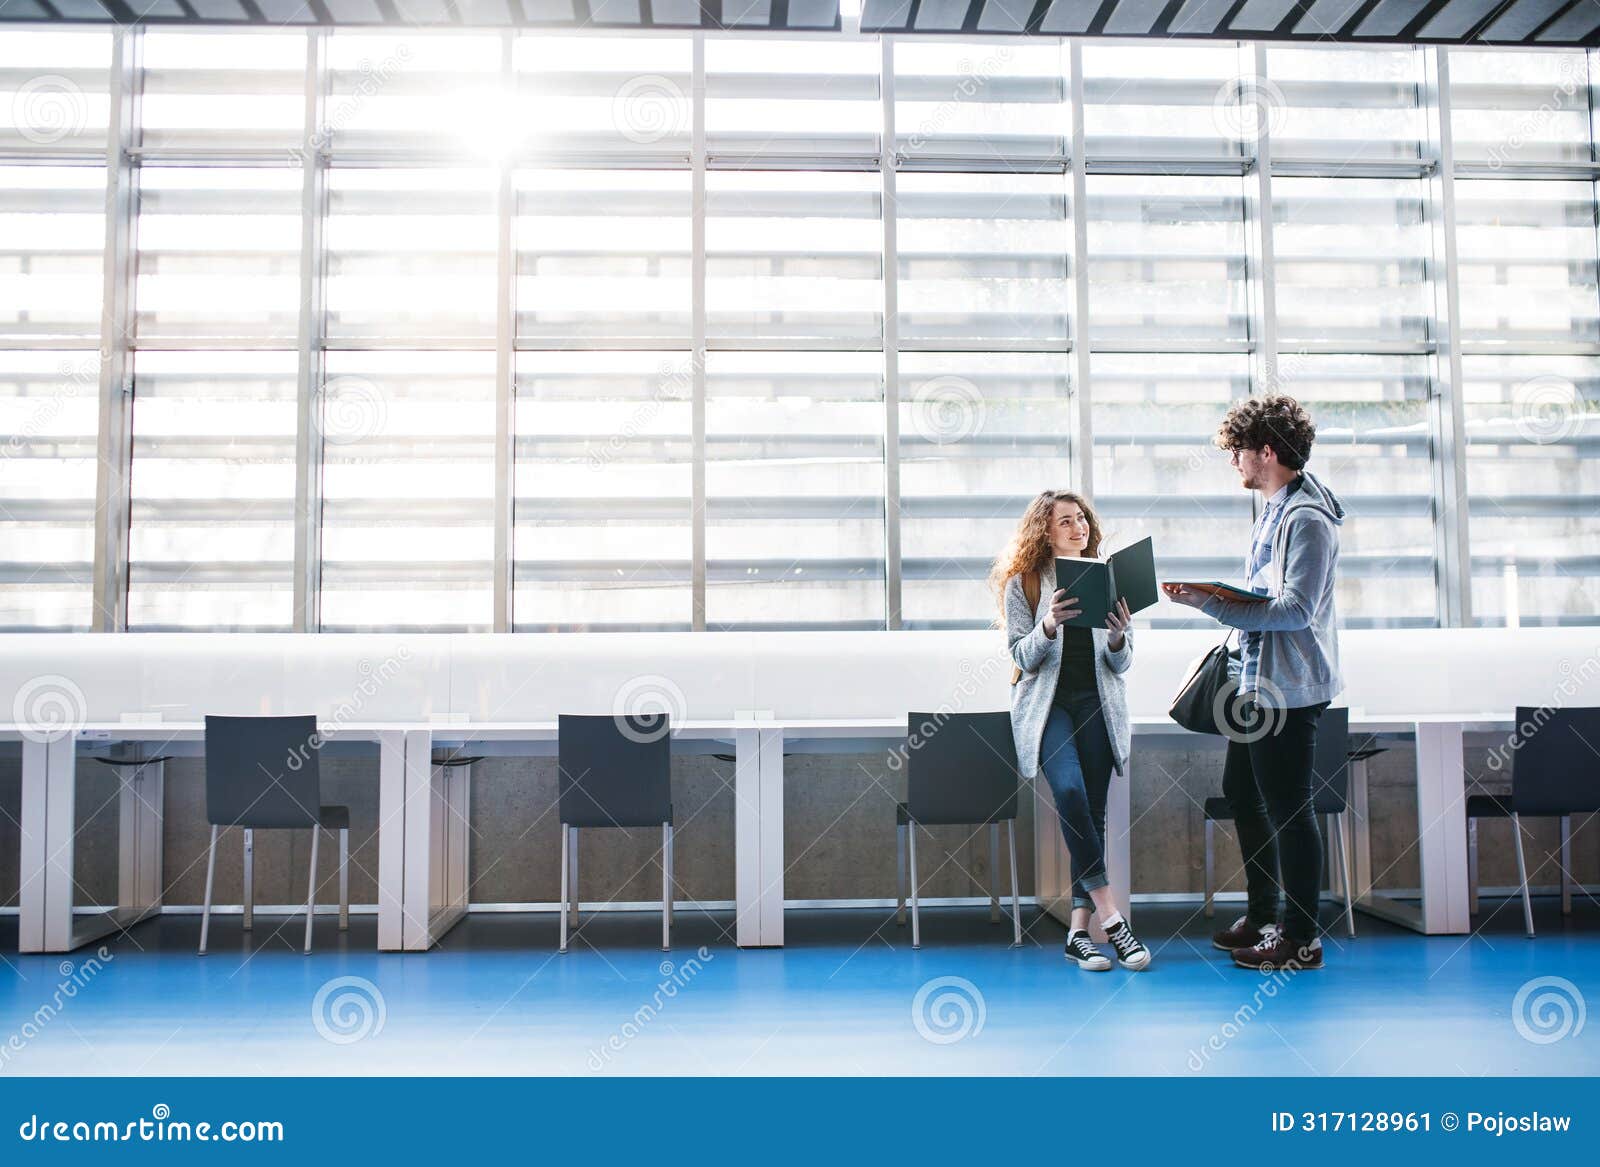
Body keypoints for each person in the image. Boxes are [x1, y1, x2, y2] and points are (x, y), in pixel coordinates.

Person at [1163, 394, 1345, 972]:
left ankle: (1301, 938)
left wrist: (1212, 604)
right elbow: (1267, 595)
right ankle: (1265, 915)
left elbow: (1295, 610)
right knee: (1243, 791)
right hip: (1258, 683)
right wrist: (1215, 597)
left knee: (1290, 809)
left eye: (1238, 450)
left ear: (1266, 452)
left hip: (1287, 689)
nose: (1233, 460)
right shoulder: (1275, 510)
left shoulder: (1307, 520)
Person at [991, 490, 1149, 971]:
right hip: (1049, 708)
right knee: (1070, 792)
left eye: (1081, 519)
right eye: (1065, 521)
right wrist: (1048, 624)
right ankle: (1112, 917)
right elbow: (1021, 657)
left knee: (1091, 812)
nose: (1078, 527)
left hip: (1098, 704)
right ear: (1045, 530)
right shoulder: (1024, 584)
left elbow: (1121, 664)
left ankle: (1079, 933)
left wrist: (1118, 637)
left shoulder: (1107, 578)